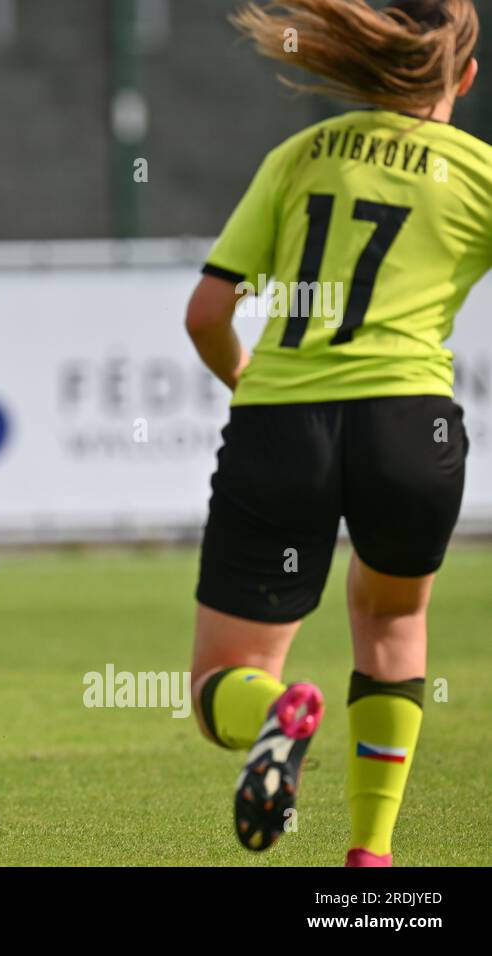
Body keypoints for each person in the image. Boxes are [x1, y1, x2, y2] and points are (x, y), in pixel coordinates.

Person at [183, 0, 486, 866]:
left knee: (218, 688)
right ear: (463, 79)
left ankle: (273, 716)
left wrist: (252, 384)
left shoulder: (301, 155)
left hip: (284, 425)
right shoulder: (477, 171)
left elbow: (207, 313)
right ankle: (372, 856)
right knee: (392, 626)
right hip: (413, 429)